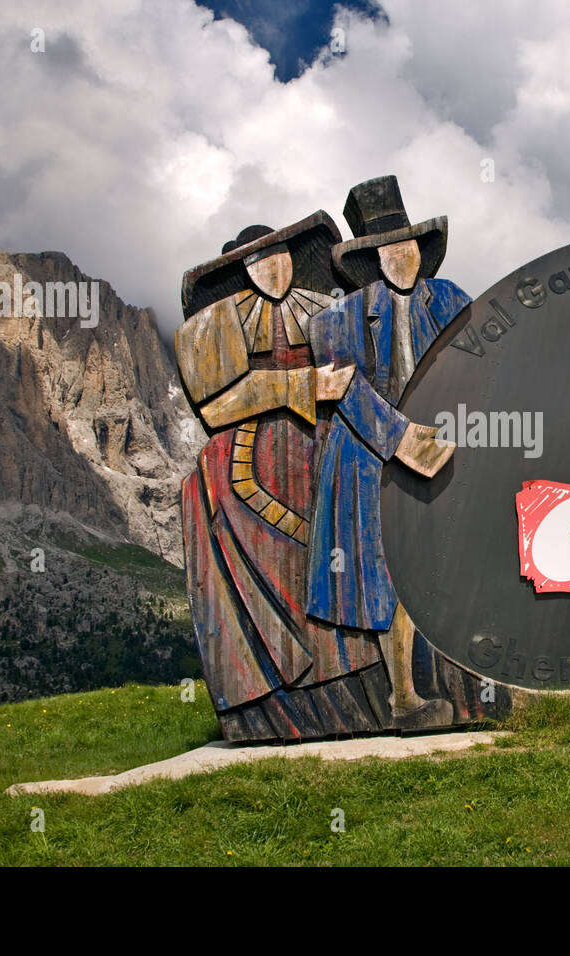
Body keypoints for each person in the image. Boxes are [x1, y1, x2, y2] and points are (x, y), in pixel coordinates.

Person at [176, 211, 391, 742]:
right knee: (264, 552)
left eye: (281, 255)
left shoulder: (327, 308)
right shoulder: (216, 323)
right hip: (247, 460)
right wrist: (302, 385)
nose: (272, 267)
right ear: (243, 268)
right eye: (259, 259)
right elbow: (216, 402)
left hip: (321, 450)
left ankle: (352, 686)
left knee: (334, 556)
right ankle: (270, 696)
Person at [308, 176, 468, 724]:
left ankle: (465, 677)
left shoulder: (452, 301)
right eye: (388, 248)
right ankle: (402, 695)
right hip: (366, 455)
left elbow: (478, 368)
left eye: (409, 245)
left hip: (444, 447)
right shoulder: (337, 320)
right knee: (384, 569)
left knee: (446, 560)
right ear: (371, 258)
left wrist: (450, 432)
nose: (401, 257)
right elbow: (343, 386)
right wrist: (399, 439)